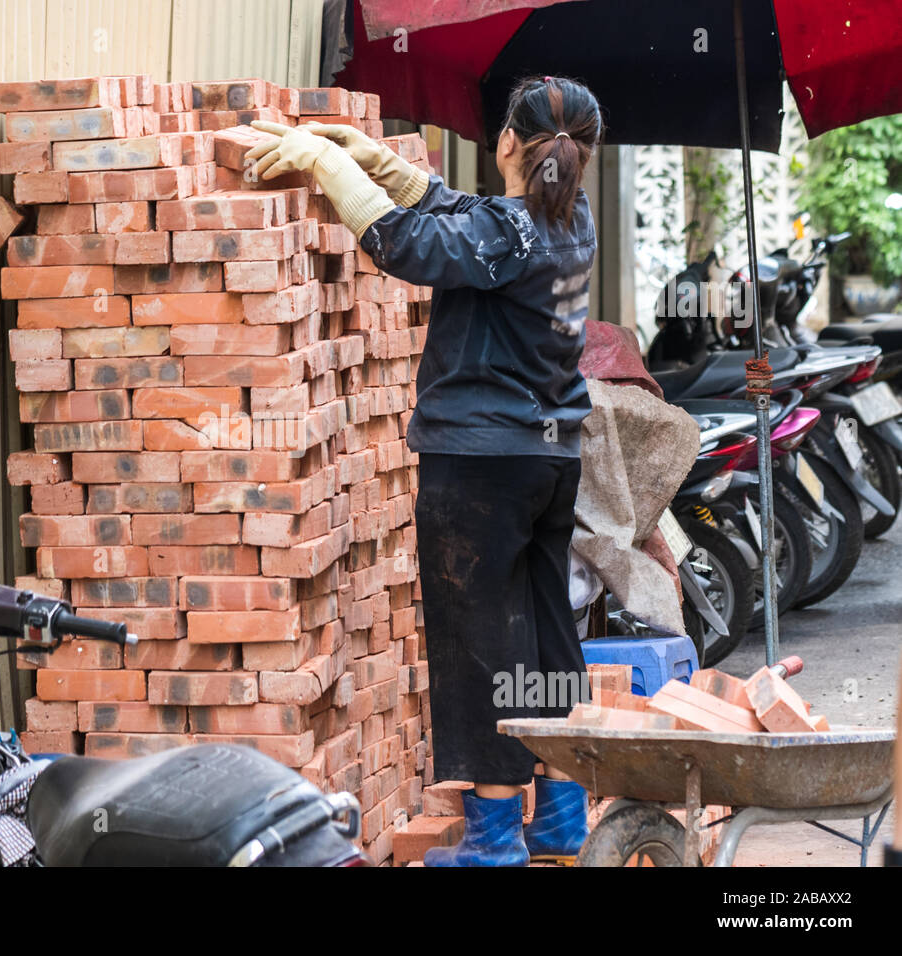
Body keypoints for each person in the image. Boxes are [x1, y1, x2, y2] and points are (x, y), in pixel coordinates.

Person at [249, 75, 603, 866]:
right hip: (549, 461)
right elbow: (465, 221)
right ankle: (561, 816)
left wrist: (326, 166)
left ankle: (491, 843)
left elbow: (410, 245)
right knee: (544, 634)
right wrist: (380, 162)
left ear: (506, 144)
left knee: (482, 644)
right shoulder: (569, 221)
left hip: (481, 467)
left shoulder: (512, 231)